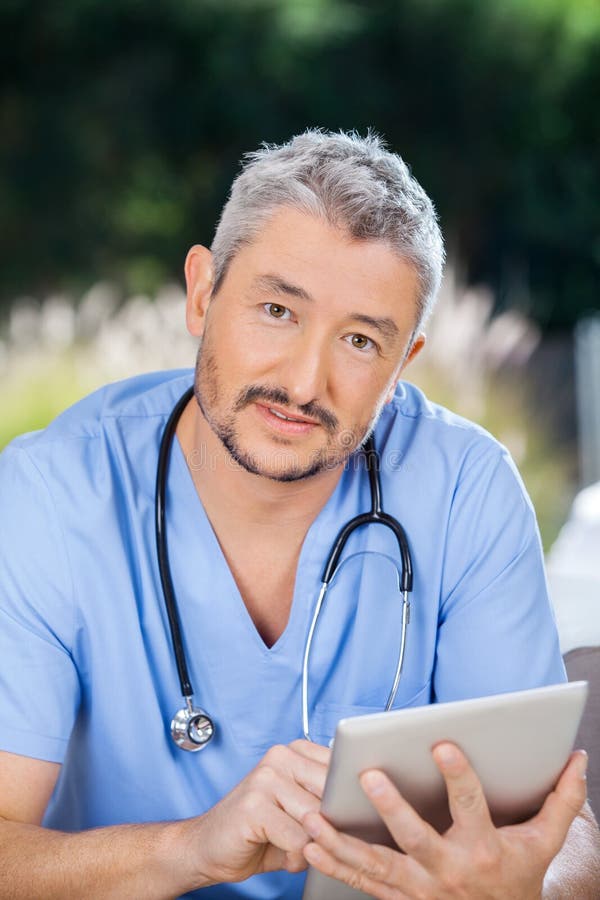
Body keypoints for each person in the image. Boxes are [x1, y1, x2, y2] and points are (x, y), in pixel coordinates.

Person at [0, 130, 598, 899]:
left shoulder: (465, 489)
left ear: (403, 362)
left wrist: (523, 890)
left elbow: (556, 832)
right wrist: (192, 850)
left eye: (358, 340)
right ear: (202, 292)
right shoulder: (52, 492)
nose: (305, 381)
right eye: (278, 309)